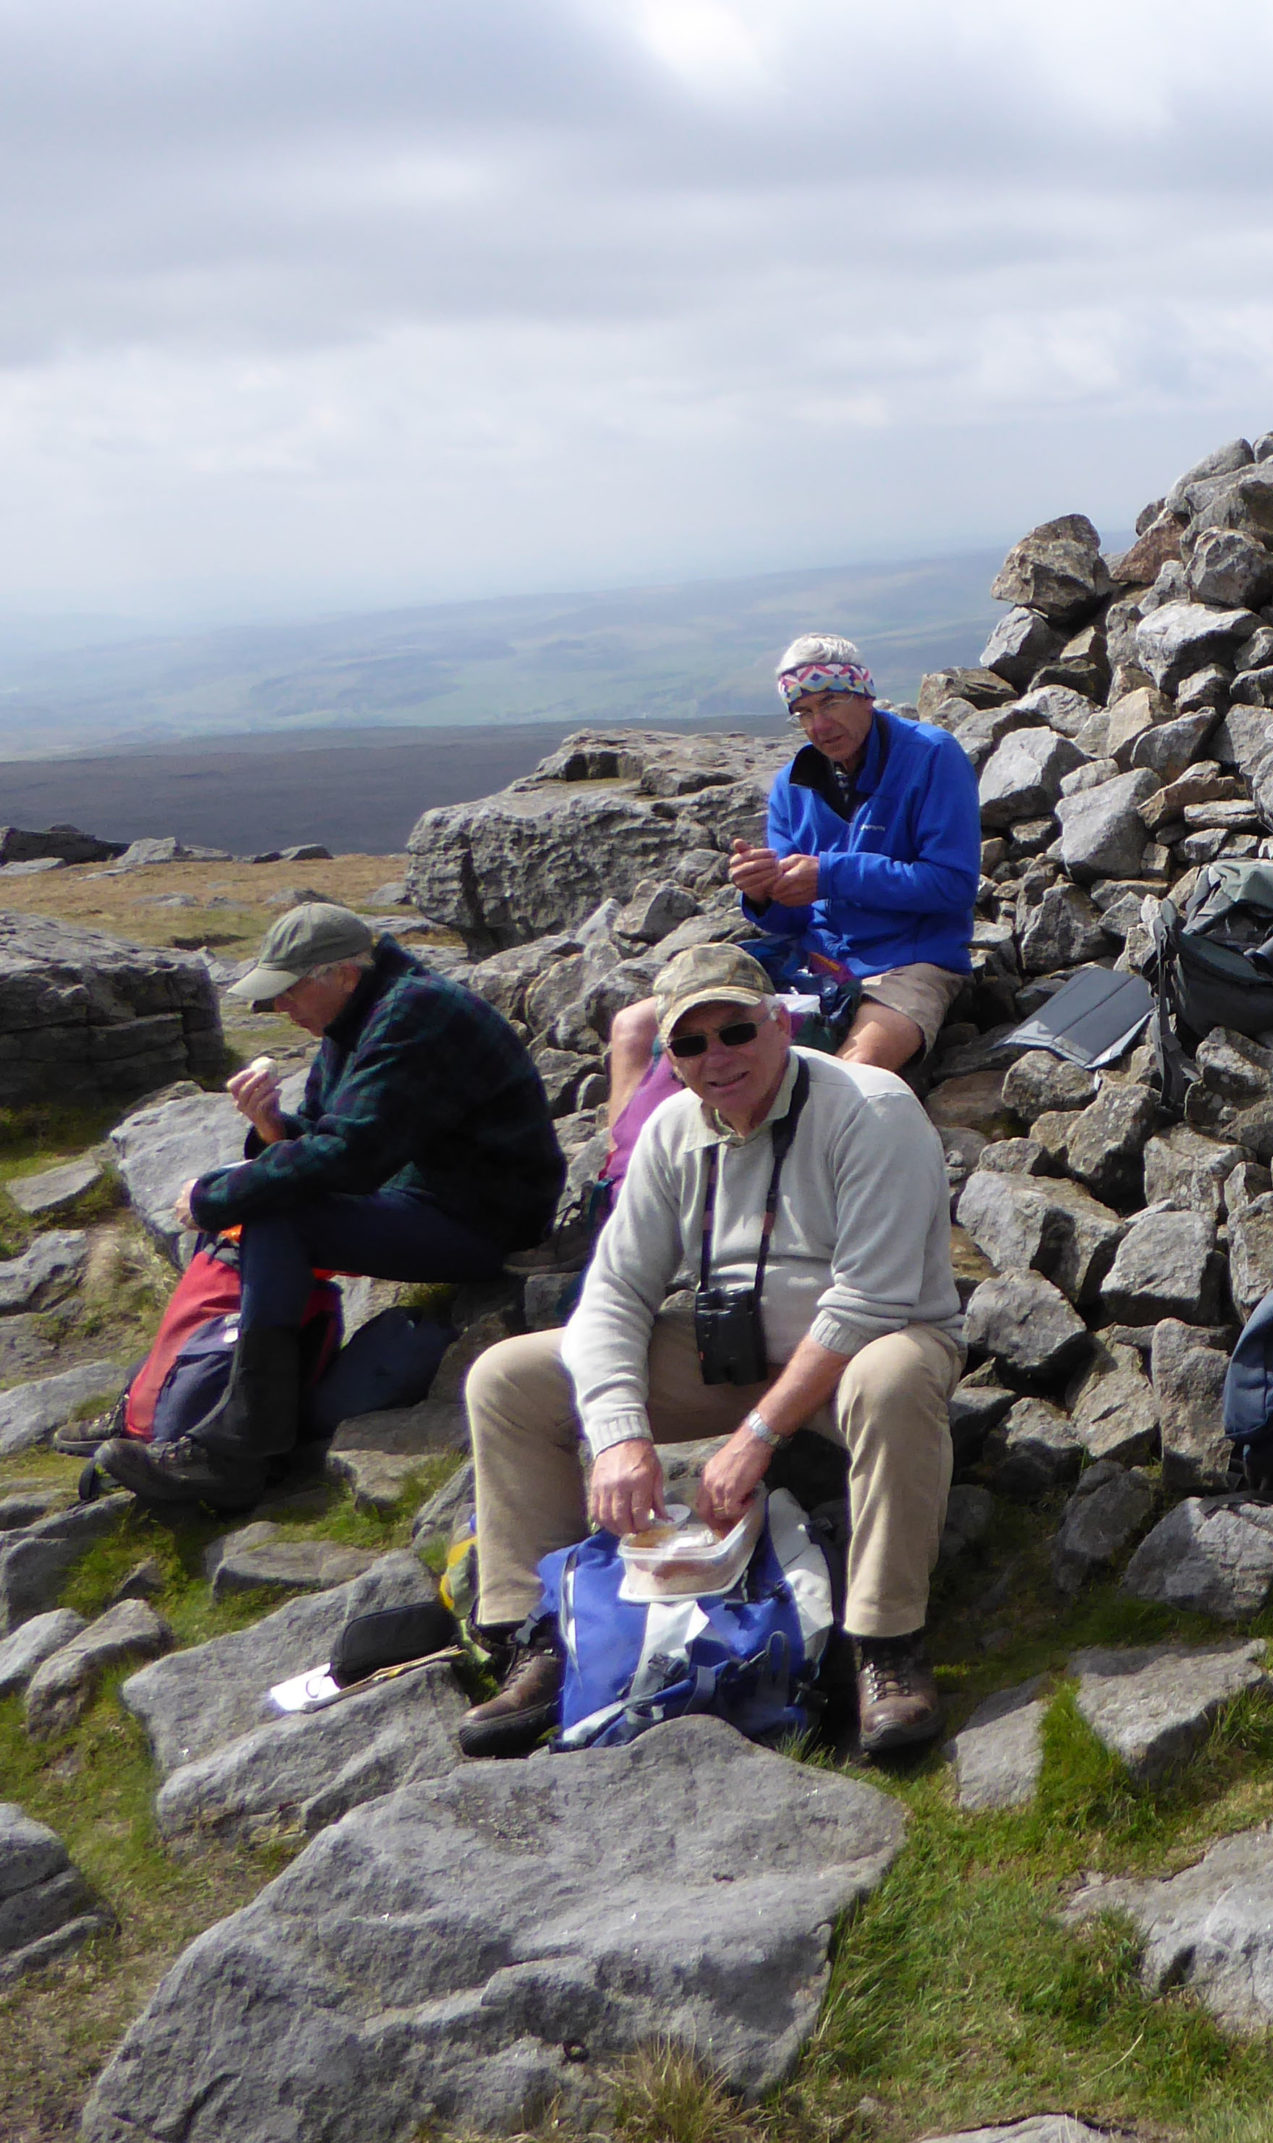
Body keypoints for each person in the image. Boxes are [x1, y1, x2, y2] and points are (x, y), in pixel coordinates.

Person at [458, 944, 964, 1761]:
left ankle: (885, 1643)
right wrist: (620, 1433)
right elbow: (614, 1293)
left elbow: (870, 1300)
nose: (716, 1057)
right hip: (726, 1352)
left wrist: (757, 1438)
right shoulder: (670, 1130)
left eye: (735, 1029)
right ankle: (542, 1636)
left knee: (896, 1376)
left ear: (778, 1020)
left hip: (864, 1349)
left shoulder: (873, 1108)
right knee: (507, 1378)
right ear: (669, 1056)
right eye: (689, 1045)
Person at [97, 903, 565, 1511]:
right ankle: (160, 1400)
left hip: (481, 1222)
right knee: (259, 1201)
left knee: (270, 1209)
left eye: (287, 992)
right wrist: (269, 1126)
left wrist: (214, 1196)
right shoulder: (363, 1014)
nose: (277, 1008)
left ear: (341, 974)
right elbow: (324, 1134)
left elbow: (350, 1157)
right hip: (423, 1200)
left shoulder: (414, 1013)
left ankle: (238, 1449)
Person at [601, 632, 979, 1135]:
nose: (819, 726)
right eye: (802, 713)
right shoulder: (791, 785)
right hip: (811, 957)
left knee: (843, 1077)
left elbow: (953, 884)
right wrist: (763, 892)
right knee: (634, 1028)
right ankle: (624, 1178)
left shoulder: (931, 755)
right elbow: (792, 917)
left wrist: (830, 874)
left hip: (911, 962)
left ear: (865, 694)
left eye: (831, 702)